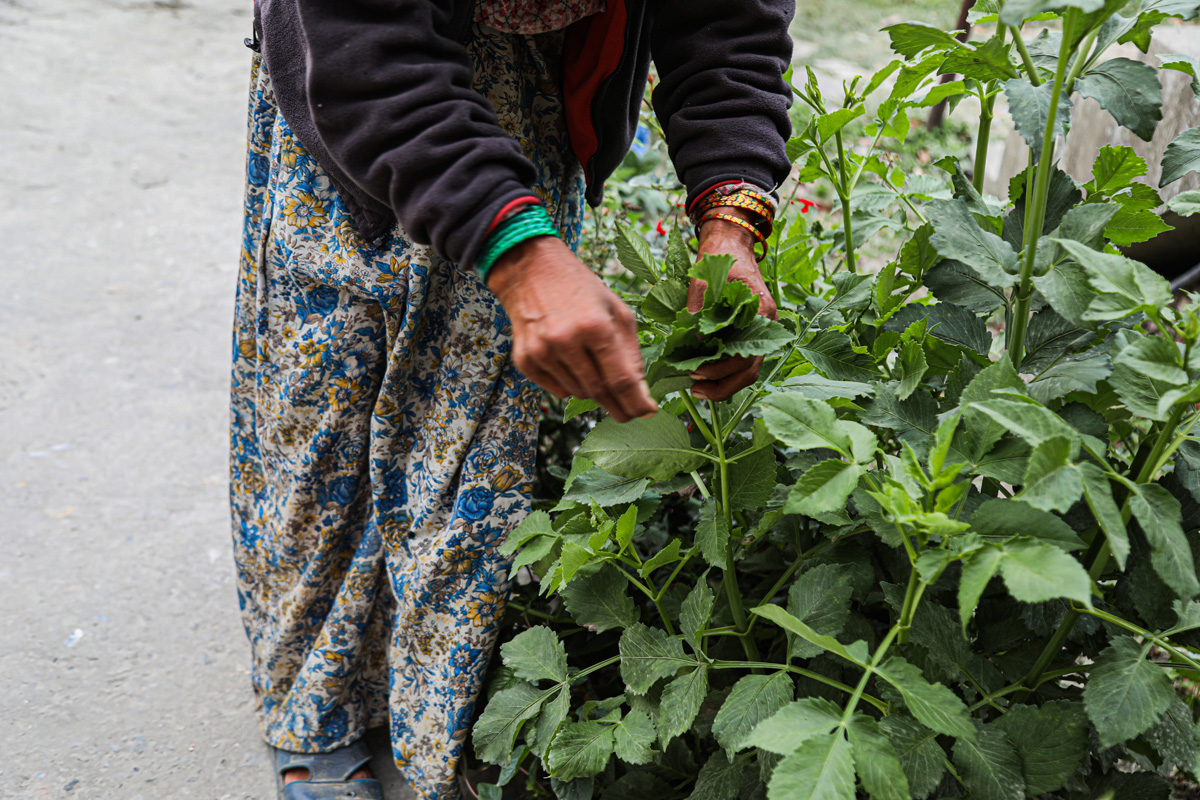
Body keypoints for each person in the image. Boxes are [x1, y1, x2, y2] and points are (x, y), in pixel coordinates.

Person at [229, 1, 795, 798]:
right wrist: (519, 255)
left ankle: (433, 715)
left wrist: (731, 220)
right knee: (326, 398)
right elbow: (361, 39)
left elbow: (727, 19)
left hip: (539, 89)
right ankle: (317, 707)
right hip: (358, 77)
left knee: (481, 422)